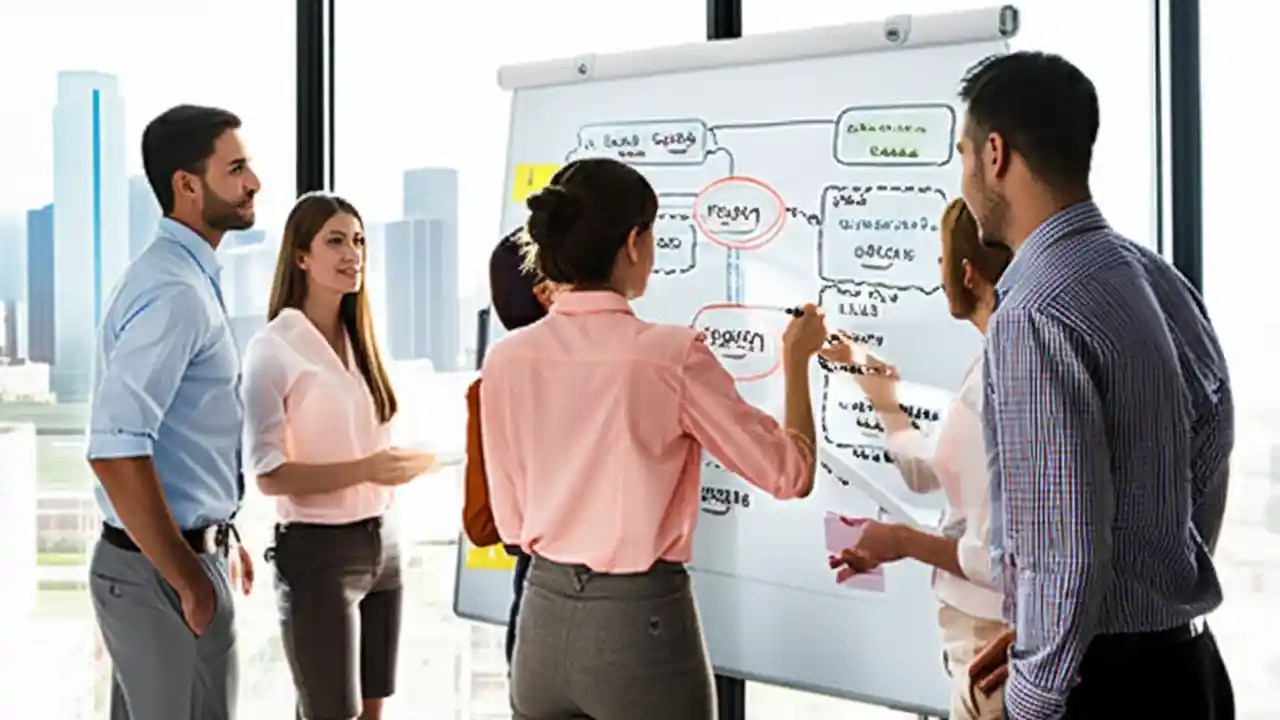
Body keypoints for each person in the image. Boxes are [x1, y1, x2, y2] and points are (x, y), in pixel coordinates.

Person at [479, 157, 828, 720]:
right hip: (637, 626)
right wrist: (796, 360)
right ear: (633, 243)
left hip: (540, 624)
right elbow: (789, 473)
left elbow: (512, 524)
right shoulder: (669, 356)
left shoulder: (506, 360)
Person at [957, 51, 1234, 718]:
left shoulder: (1032, 309)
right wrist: (1064, 628)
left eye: (963, 154)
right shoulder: (1155, 276)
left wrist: (1036, 687)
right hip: (1188, 668)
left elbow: (1065, 546)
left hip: (1104, 689)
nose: (963, 179)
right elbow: (1210, 447)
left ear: (995, 154)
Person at [86, 104, 259, 720]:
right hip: (160, 574)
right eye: (235, 169)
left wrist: (218, 530)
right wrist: (188, 578)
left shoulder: (184, 276)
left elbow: (184, 438)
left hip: (166, 562)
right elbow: (115, 448)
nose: (254, 182)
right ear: (187, 185)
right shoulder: (175, 293)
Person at [240, 192, 437, 720]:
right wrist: (367, 469)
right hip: (318, 554)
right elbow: (268, 474)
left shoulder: (362, 341)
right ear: (301, 256)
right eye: (336, 241)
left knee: (373, 711)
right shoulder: (273, 348)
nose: (353, 254)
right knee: (331, 714)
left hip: (384, 547)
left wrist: (402, 464)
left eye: (359, 241)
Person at [827, 198, 1012, 719]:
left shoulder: (1001, 378)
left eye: (940, 259)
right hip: (973, 638)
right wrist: (882, 394)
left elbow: (993, 558)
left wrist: (901, 541)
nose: (938, 272)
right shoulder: (991, 361)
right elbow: (927, 471)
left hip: (991, 645)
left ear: (967, 273)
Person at [463, 227, 561, 666]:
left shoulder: (491, 385)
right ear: (547, 294)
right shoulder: (609, 374)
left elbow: (481, 523)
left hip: (533, 581)